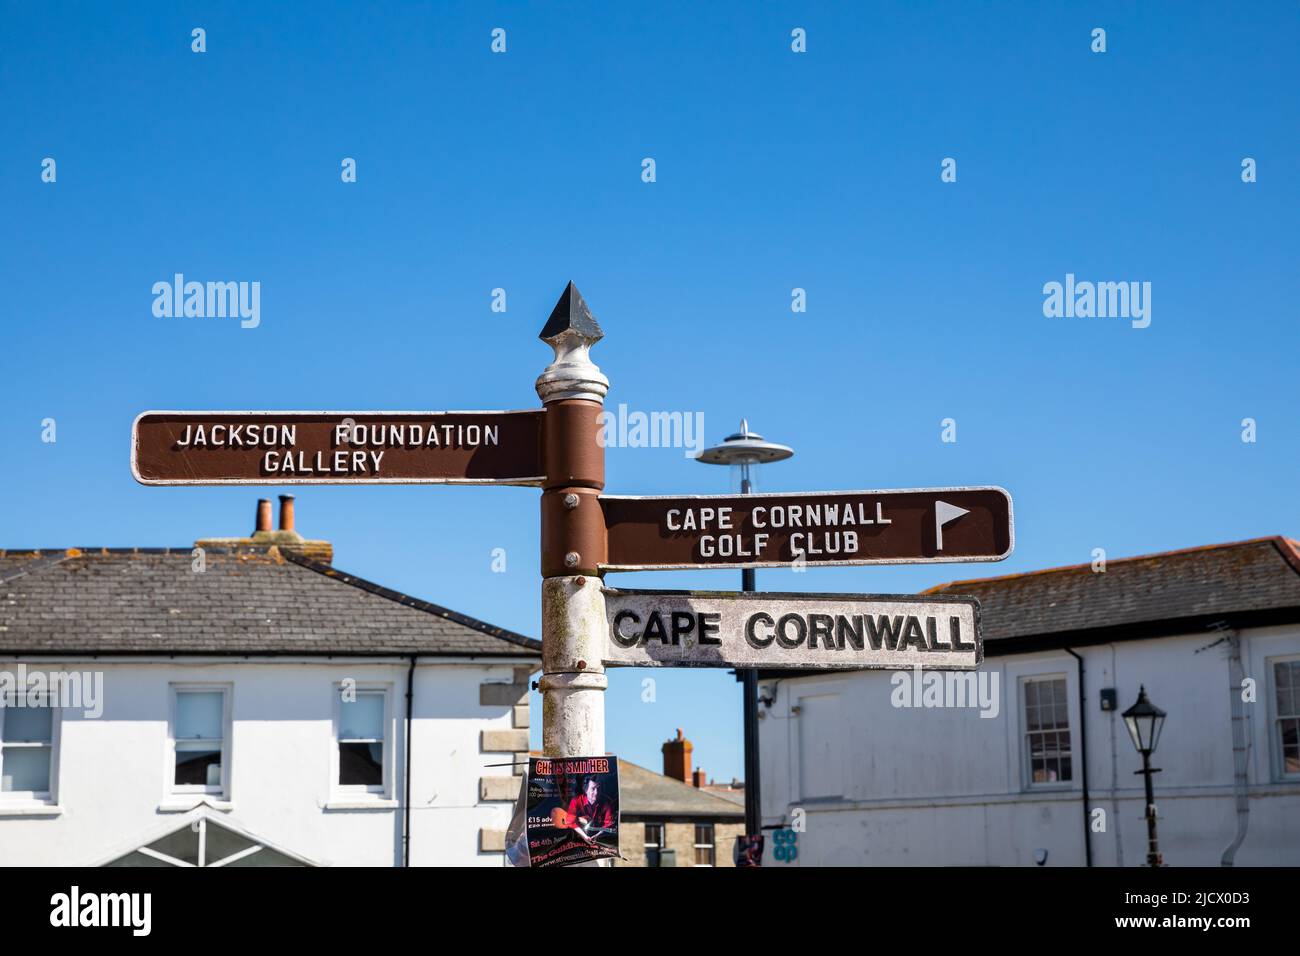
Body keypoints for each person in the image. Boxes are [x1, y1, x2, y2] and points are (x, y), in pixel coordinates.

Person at [564, 775, 614, 843]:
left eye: (598, 788)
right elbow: (570, 822)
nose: (596, 792)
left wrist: (597, 836)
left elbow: (608, 824)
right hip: (578, 837)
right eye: (593, 788)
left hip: (600, 837)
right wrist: (585, 836)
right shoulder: (576, 801)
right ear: (586, 790)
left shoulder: (607, 802)